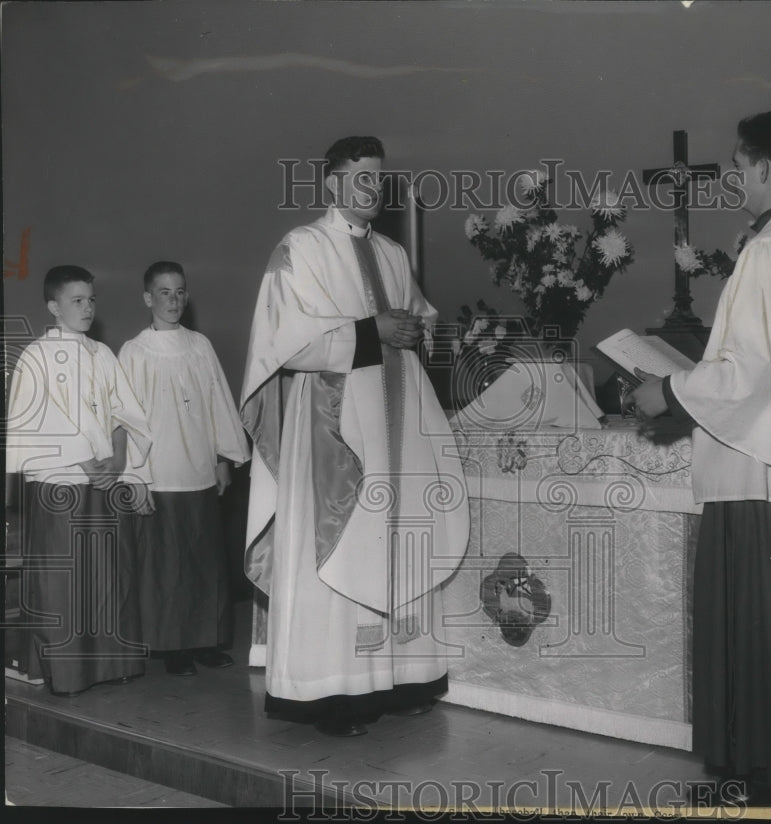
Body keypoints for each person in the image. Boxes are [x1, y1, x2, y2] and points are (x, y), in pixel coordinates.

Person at [630, 112, 771, 803]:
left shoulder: (770, 251)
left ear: (761, 168)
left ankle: (761, 778)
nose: (734, 179)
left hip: (758, 475)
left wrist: (667, 390)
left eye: (737, 167)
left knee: (757, 626)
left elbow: (750, 372)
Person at [240, 136, 470, 737]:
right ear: (332, 183)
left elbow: (419, 313)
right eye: (361, 177)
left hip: (398, 417)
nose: (372, 189)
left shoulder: (392, 252)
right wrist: (372, 331)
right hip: (333, 425)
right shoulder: (301, 248)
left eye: (378, 178)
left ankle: (404, 678)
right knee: (345, 543)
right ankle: (335, 694)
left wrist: (418, 328)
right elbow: (284, 341)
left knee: (402, 538)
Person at [6, 265, 154, 696]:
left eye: (91, 299)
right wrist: (87, 462)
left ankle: (111, 663)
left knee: (108, 575)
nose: (87, 308)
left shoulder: (102, 354)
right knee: (65, 583)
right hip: (61, 483)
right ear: (54, 307)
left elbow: (124, 413)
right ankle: (68, 674)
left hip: (105, 479)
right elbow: (34, 423)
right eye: (77, 300)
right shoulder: (36, 356)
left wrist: (120, 458)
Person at [118, 261, 250, 676]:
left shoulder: (199, 345)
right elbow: (127, 419)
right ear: (148, 298)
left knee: (203, 559)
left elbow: (218, 401)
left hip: (200, 468)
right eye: (164, 292)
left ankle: (204, 640)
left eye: (179, 292)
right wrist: (136, 476)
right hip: (160, 471)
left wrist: (223, 457)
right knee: (166, 564)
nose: (173, 300)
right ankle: (171, 646)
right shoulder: (135, 351)